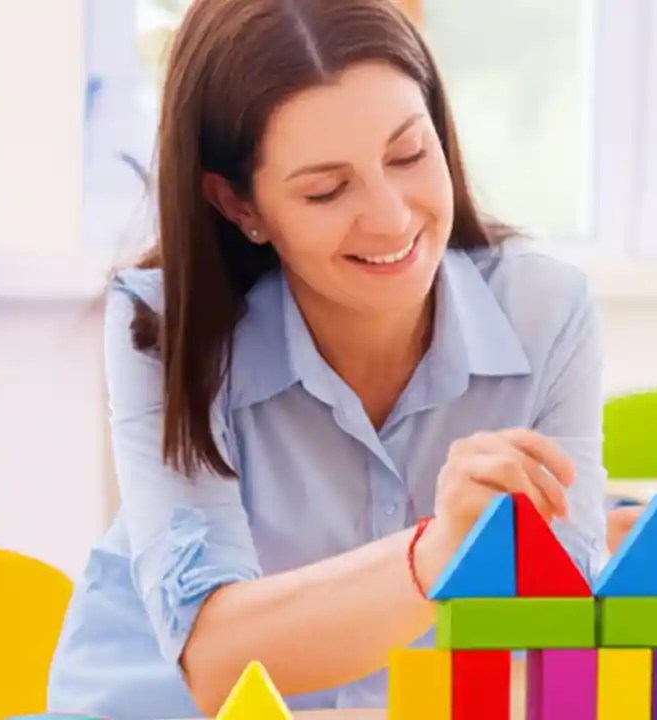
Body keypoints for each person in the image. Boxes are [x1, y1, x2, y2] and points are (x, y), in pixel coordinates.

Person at [46, 2, 606, 718]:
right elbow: (217, 662)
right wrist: (438, 553)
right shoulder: (165, 325)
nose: (392, 218)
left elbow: (564, 622)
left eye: (408, 155)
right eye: (326, 190)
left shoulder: (547, 312)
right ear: (238, 204)